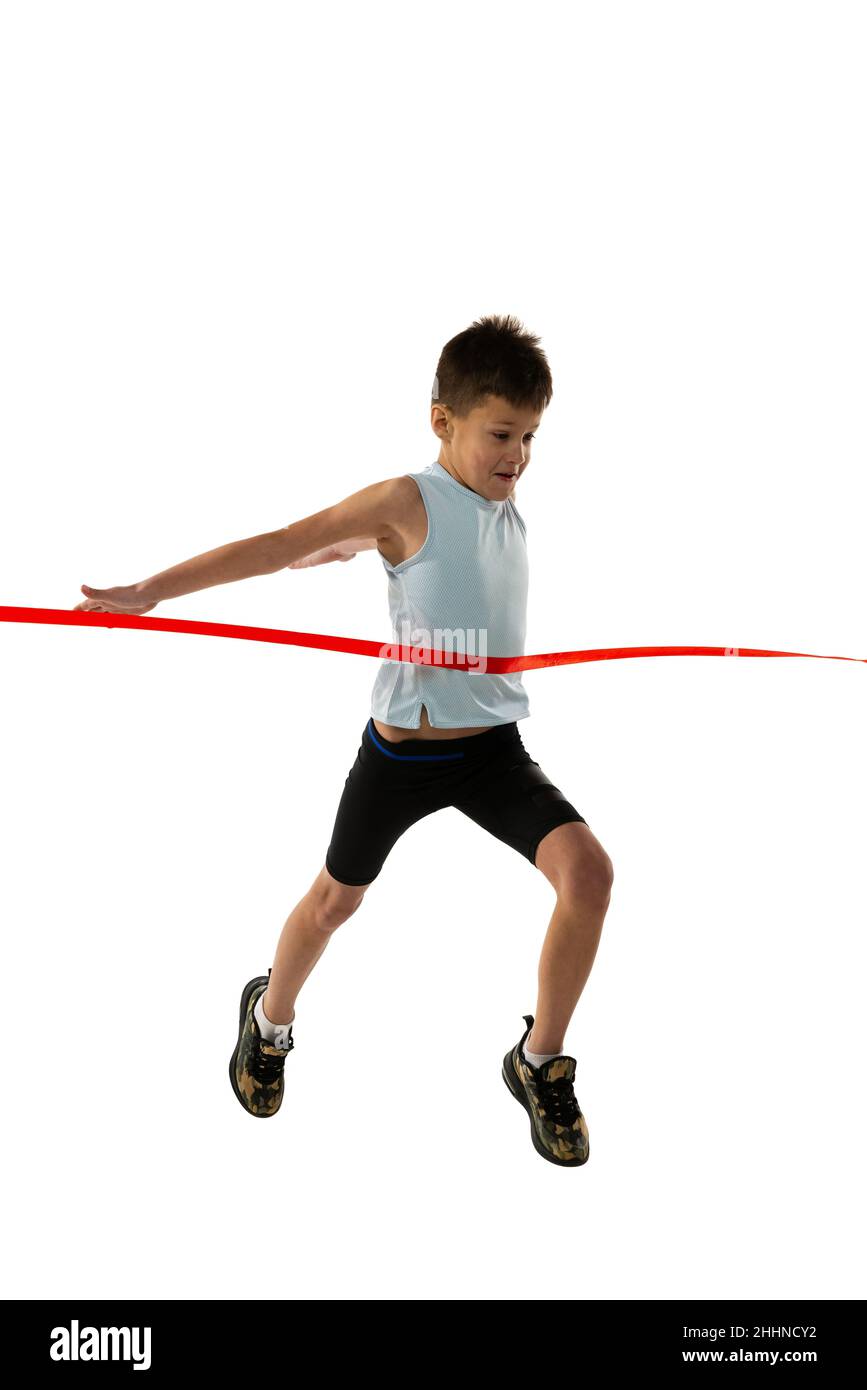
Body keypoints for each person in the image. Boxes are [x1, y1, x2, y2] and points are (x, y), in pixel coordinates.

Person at [74, 313, 614, 1167]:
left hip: (491, 753)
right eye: (500, 434)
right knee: (333, 903)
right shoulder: (406, 499)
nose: (516, 455)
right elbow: (283, 542)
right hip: (403, 756)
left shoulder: (509, 511)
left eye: (530, 438)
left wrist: (370, 554)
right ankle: (269, 1018)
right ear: (443, 421)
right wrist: (152, 589)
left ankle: (537, 1062)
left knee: (587, 873)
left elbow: (455, 575)